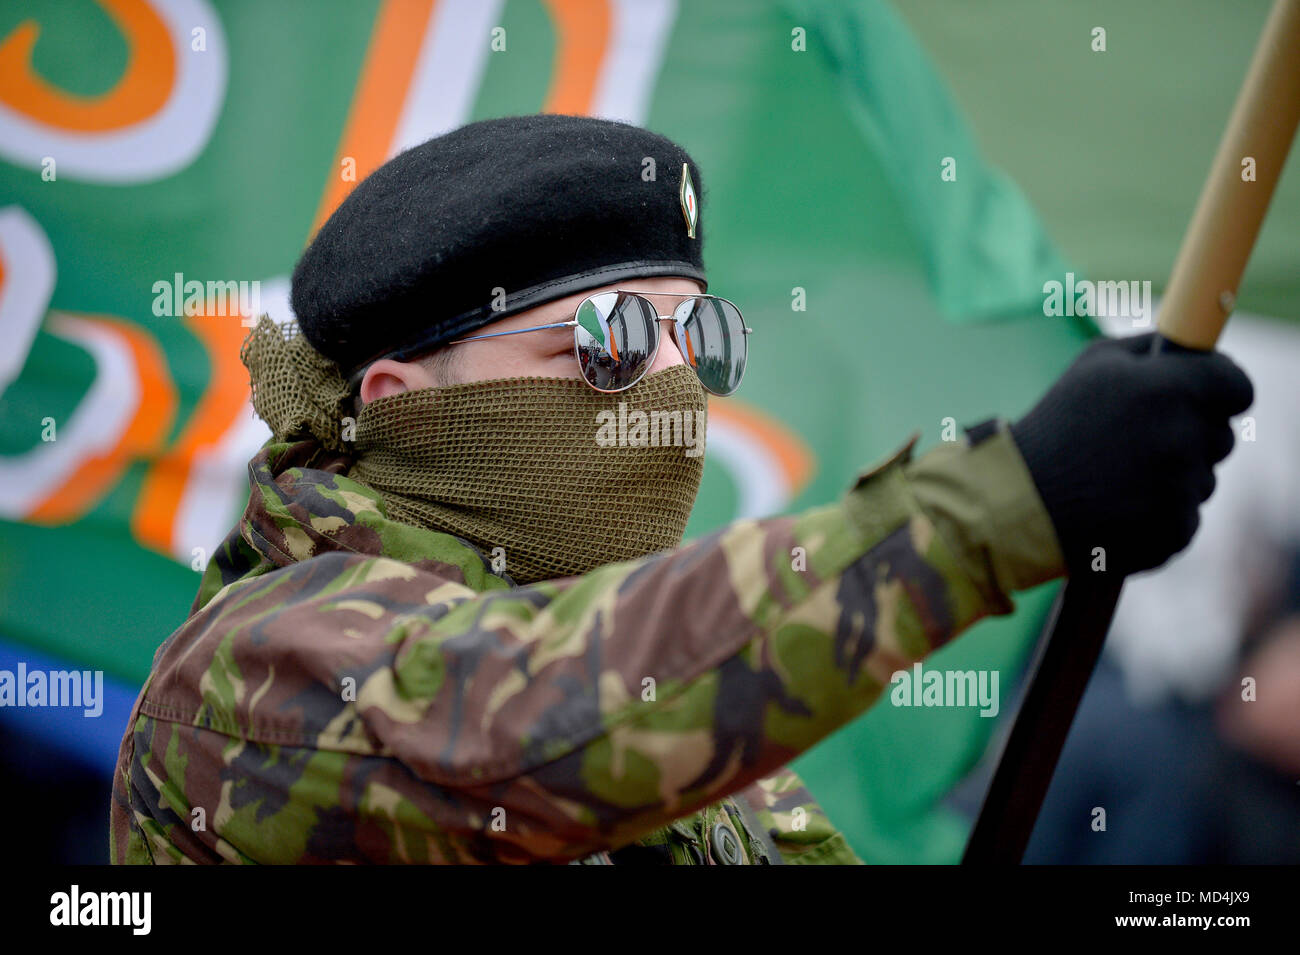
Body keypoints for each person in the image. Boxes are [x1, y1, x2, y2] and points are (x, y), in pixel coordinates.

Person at [109, 114, 1252, 865]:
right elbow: (521, 722)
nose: (671, 389)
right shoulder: (256, 669)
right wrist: (1008, 505)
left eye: (695, 338)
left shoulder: (701, 741)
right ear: (405, 398)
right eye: (603, 342)